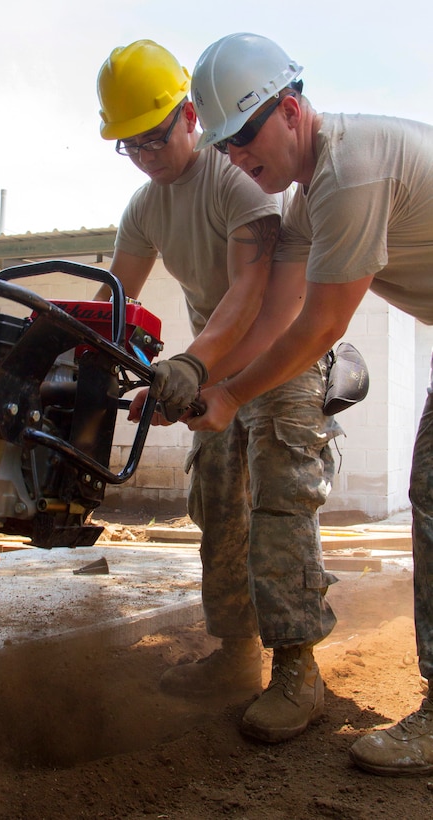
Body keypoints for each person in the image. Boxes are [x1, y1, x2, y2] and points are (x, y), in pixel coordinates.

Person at [188, 32, 433, 774]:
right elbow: (276, 313)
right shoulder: (305, 200)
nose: (235, 157)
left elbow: (324, 326)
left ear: (289, 109)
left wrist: (230, 394)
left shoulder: (351, 173)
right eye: (223, 146)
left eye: (244, 135)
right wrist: (201, 374)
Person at [95, 39, 343, 743]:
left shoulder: (238, 181)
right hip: (210, 363)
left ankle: (297, 669)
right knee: (215, 503)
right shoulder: (144, 207)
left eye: (154, 135)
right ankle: (235, 653)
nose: (145, 154)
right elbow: (118, 301)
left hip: (283, 357)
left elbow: (250, 291)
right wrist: (100, 360)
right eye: (128, 144)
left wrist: (194, 365)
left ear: (189, 116)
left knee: (278, 499)